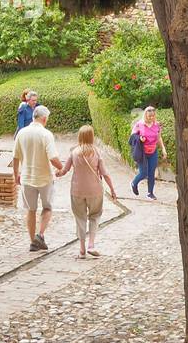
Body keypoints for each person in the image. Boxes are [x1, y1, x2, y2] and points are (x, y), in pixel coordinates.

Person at [58, 124, 118, 258]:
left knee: (80, 218)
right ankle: (91, 244)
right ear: (92, 137)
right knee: (95, 216)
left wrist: (58, 173)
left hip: (77, 191)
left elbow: (64, 170)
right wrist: (112, 189)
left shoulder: (74, 152)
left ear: (79, 136)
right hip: (95, 191)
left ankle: (82, 249)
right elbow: (105, 174)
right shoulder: (96, 153)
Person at [12, 104, 62, 251]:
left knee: (31, 210)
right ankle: (40, 235)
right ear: (45, 119)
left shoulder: (22, 133)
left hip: (27, 177)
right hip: (45, 178)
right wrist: (62, 168)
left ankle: (33, 241)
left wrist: (16, 176)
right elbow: (53, 158)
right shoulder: (46, 135)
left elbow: (15, 158)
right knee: (47, 207)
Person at [130, 105, 168, 200]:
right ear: (145, 115)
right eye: (149, 116)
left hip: (153, 151)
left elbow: (159, 138)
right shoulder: (139, 124)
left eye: (153, 116)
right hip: (142, 152)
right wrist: (140, 138)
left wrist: (163, 149)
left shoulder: (157, 125)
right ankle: (134, 183)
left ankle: (150, 193)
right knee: (143, 173)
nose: (151, 118)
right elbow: (132, 137)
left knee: (151, 173)